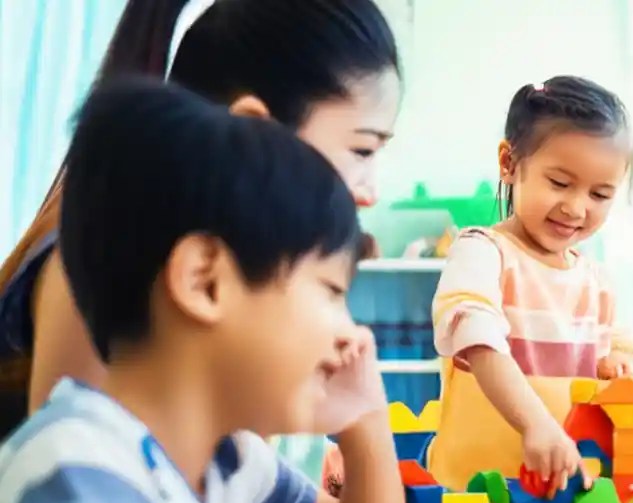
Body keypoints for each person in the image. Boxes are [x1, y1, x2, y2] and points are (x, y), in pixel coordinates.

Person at [0, 78, 633, 503]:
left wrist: (361, 417)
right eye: (330, 291)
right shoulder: (77, 461)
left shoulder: (232, 467)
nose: (350, 331)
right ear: (205, 281)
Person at [0, 0, 399, 437]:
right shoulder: (106, 270)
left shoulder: (208, 269)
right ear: (256, 127)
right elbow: (76, 485)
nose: (370, 191)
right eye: (362, 150)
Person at [427, 76, 633, 492]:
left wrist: (617, 366)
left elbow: (621, 351)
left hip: (564, 494)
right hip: (471, 490)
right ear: (509, 163)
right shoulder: (482, 252)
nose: (576, 207)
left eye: (600, 194)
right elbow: (476, 339)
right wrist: (536, 424)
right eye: (560, 183)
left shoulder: (596, 281)